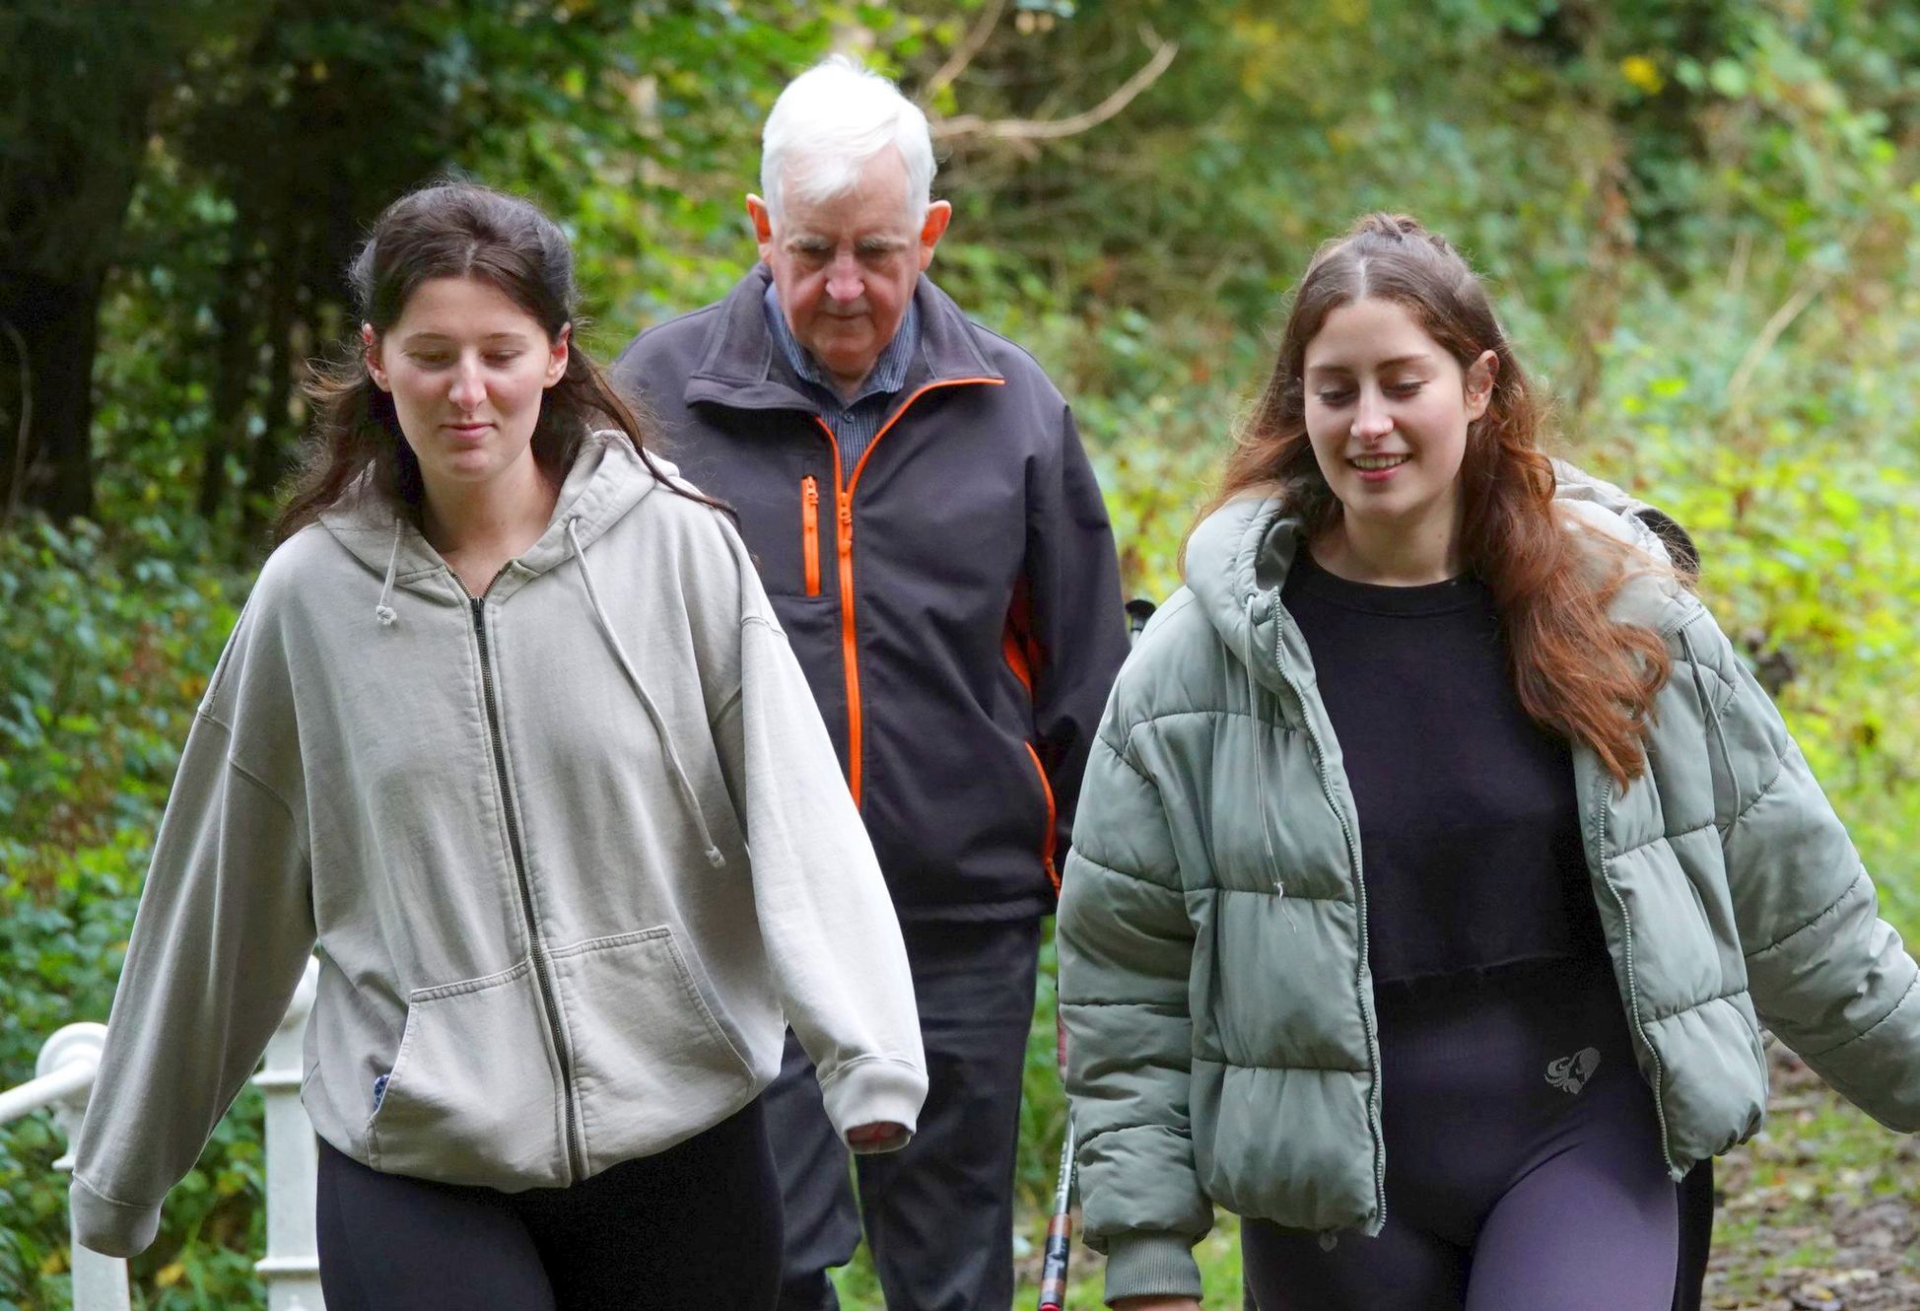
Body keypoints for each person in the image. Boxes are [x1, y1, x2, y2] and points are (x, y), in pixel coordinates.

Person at [68, 182, 927, 1311]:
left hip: (677, 1139)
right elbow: (218, 894)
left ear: (557, 355)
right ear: (377, 360)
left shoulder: (675, 550)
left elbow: (797, 811)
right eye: (432, 355)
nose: (467, 392)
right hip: (421, 1156)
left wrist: (866, 1054)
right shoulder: (311, 602)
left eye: (500, 353)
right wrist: (123, 1174)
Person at [1057, 213, 1920, 1311]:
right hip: (1332, 1187)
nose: (1369, 423)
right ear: (1300, 405)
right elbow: (1127, 981)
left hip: (1590, 1134)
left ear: (1478, 385)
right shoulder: (1199, 666)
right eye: (1336, 390)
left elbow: (1798, 902)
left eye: (1402, 382)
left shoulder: (1625, 617)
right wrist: (1145, 1254)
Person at [611, 56, 1130, 1311]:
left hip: (957, 923)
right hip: (736, 928)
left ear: (933, 235)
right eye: (812, 251)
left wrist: (1111, 944)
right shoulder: (650, 405)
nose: (845, 286)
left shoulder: (1016, 411)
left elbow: (1088, 692)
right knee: (767, 1264)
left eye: (880, 252)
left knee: (948, 1275)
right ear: (759, 232)